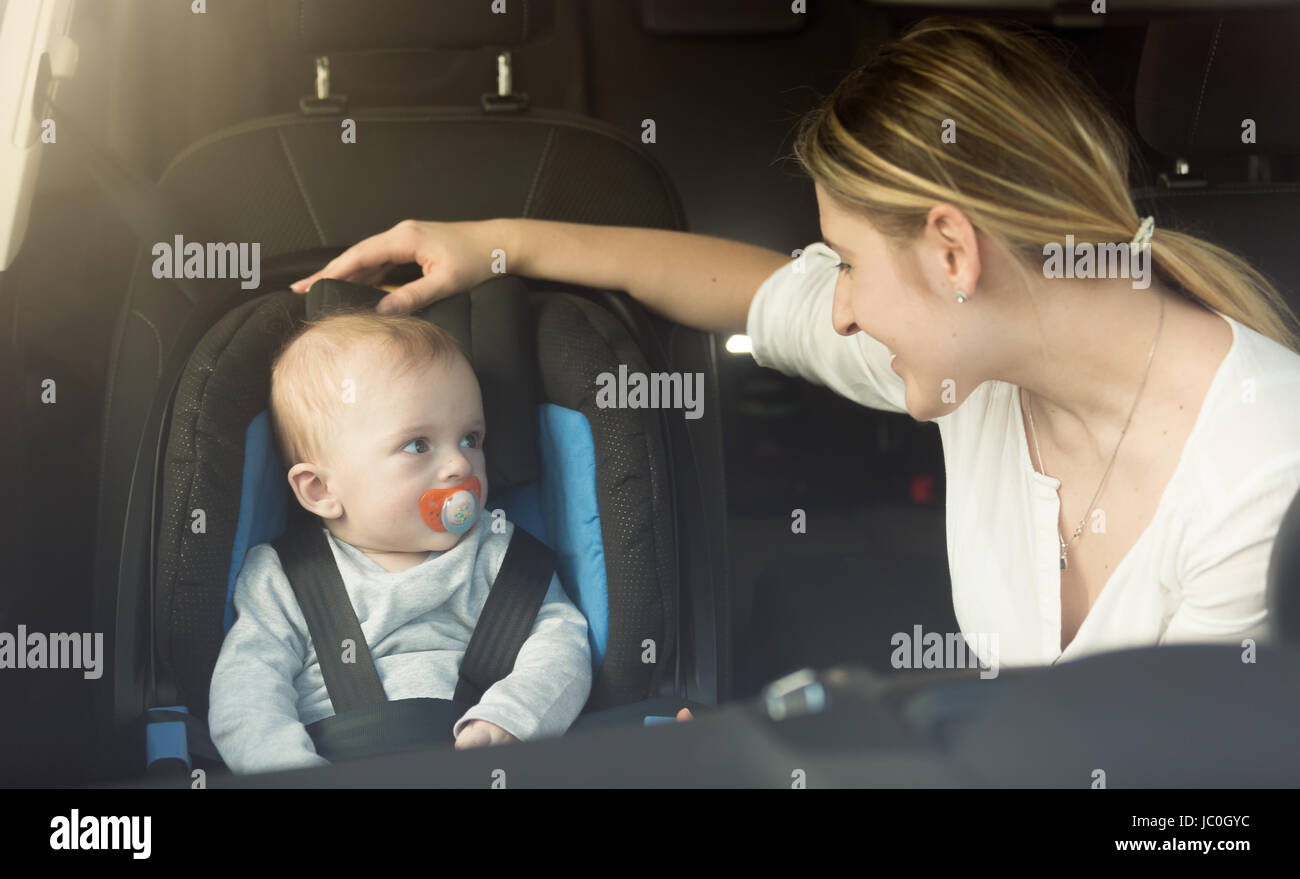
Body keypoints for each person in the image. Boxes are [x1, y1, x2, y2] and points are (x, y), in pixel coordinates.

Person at [289, 17, 1300, 670]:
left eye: (849, 264)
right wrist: (492, 244)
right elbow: (751, 291)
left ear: (952, 249)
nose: (842, 310)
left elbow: (1186, 808)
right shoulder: (984, 355)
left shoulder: (1266, 476)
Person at [208, 310, 593, 774]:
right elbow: (247, 691)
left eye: (471, 438)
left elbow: (561, 644)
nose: (460, 466)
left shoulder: (499, 554)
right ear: (321, 490)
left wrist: (511, 718)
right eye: (418, 445)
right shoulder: (284, 578)